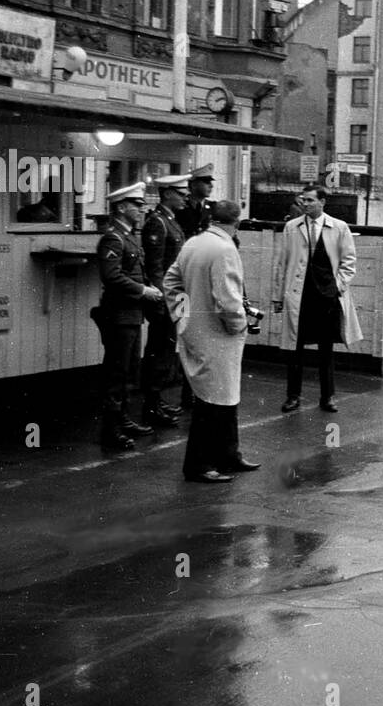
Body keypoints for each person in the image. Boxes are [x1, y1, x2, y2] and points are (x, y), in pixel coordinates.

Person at [164, 200, 260, 483]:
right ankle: (200, 464)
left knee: (223, 396)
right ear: (236, 223)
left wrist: (183, 317)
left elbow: (170, 283)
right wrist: (239, 325)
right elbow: (227, 300)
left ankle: (228, 454)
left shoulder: (193, 243)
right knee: (213, 401)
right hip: (220, 335)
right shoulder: (225, 249)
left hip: (196, 332)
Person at [272, 186, 363, 413]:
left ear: (322, 202)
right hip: (299, 296)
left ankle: (327, 397)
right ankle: (293, 396)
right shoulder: (292, 227)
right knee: (295, 348)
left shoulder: (339, 227)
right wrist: (278, 297)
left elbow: (349, 262)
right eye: (303, 200)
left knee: (326, 348)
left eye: (311, 200)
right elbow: (282, 263)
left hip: (326, 297)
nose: (305, 204)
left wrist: (337, 287)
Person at [95, 182, 164, 450]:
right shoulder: (113, 238)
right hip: (119, 315)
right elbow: (111, 276)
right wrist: (143, 291)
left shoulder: (129, 237)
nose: (141, 209)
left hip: (131, 314)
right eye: (136, 204)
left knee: (128, 371)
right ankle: (111, 430)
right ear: (122, 207)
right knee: (117, 372)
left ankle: (122, 419)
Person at [140, 175, 190, 426]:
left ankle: (156, 400)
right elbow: (155, 267)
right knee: (159, 351)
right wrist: (163, 300)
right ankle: (151, 405)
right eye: (181, 194)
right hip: (166, 299)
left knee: (167, 350)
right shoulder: (158, 223)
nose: (185, 198)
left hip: (176, 297)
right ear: (168, 194)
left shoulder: (170, 221)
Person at [174, 164, 215, 239]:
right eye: (206, 182)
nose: (211, 186)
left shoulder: (214, 207)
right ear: (194, 185)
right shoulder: (178, 207)